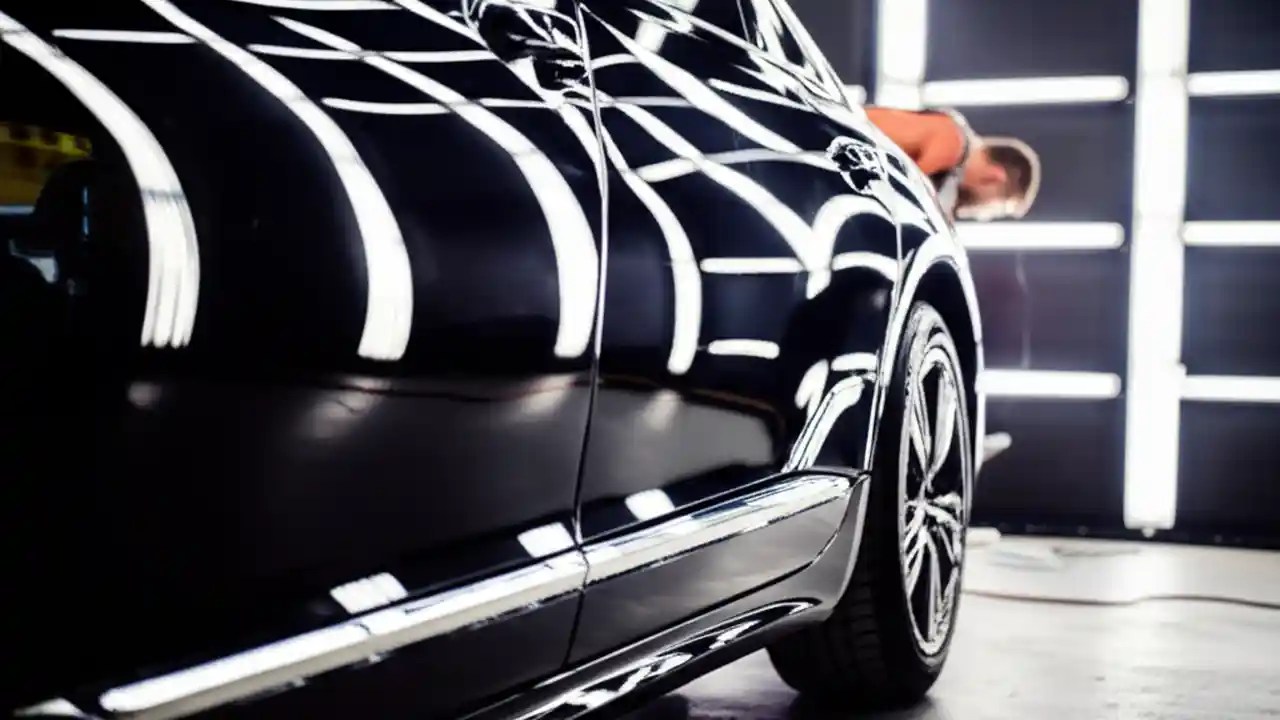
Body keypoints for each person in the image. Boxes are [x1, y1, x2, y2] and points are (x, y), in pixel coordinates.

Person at [866, 107, 1040, 221]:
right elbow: (898, 192)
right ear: (995, 177)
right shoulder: (955, 141)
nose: (984, 215)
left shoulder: (950, 171)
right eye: (998, 207)